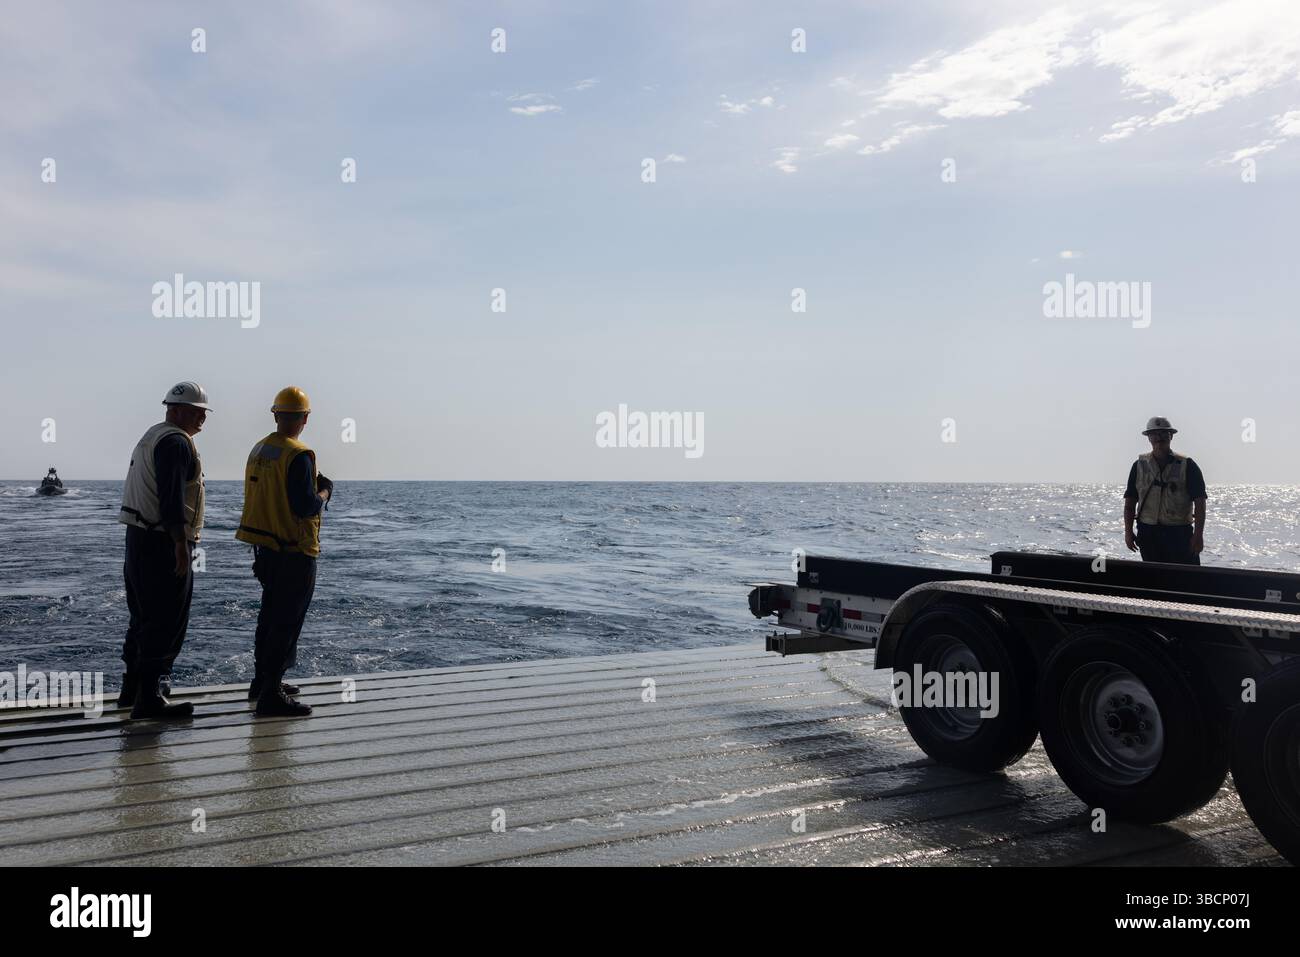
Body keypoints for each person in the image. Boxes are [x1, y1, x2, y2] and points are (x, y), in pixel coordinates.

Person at [235, 386, 333, 717]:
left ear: (276, 415)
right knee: (286, 622)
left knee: (269, 617)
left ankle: (263, 681)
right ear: (305, 419)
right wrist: (323, 493)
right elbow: (306, 506)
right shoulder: (299, 455)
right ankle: (271, 695)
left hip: (265, 549)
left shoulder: (261, 449)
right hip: (294, 551)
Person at [116, 382, 210, 719]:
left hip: (138, 537)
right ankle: (150, 698)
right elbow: (171, 499)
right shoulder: (175, 443)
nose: (202, 418)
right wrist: (180, 545)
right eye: (197, 412)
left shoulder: (152, 436)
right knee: (166, 618)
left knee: (142, 615)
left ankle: (133, 689)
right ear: (176, 410)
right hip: (162, 541)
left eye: (204, 413)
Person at [1123, 416, 1207, 565]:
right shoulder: (1138, 466)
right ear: (1148, 438)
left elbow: (1200, 504)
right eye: (1154, 434)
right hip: (1148, 533)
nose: (1158, 437)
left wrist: (1198, 535)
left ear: (1171, 436)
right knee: (1154, 579)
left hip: (1179, 533)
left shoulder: (1187, 465)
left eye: (1163, 433)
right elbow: (1130, 503)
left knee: (1188, 580)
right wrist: (1128, 532)